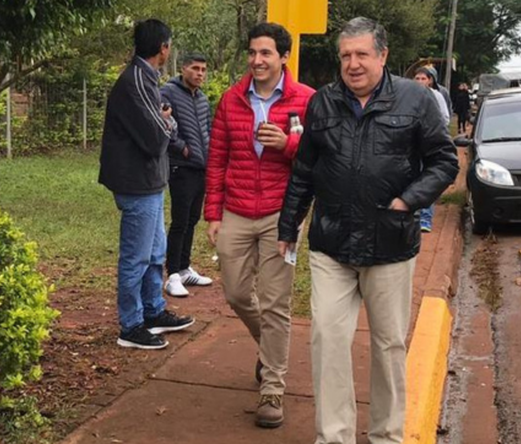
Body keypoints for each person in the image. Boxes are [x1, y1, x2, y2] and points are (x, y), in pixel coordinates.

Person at [277, 17, 458, 444]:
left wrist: (407, 201)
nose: (353, 64)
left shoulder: (416, 100)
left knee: (388, 346)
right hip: (331, 243)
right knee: (327, 339)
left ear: (382, 55)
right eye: (345, 56)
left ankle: (386, 435)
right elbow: (304, 171)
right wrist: (289, 225)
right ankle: (334, 436)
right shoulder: (322, 103)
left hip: (390, 242)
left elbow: (444, 161)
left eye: (362, 54)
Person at [204, 22, 315, 429]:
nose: (257, 60)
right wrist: (213, 213)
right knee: (235, 293)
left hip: (280, 216)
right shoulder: (232, 100)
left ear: (284, 57)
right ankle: (269, 350)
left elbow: (318, 158)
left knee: (276, 303)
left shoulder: (306, 100)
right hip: (235, 209)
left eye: (266, 53)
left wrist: (286, 144)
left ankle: (273, 389)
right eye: (252, 52)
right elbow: (216, 159)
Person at [99, 19, 195, 350]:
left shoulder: (146, 78)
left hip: (151, 182)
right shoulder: (137, 80)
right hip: (136, 184)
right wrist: (167, 121)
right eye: (169, 45)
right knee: (136, 256)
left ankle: (153, 311)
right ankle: (131, 325)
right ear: (163, 48)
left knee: (155, 253)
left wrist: (163, 119)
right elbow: (155, 139)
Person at [160, 53, 214, 297]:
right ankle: (171, 274)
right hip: (180, 166)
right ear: (183, 68)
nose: (200, 73)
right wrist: (182, 147)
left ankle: (184, 268)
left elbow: (208, 128)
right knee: (180, 220)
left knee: (192, 219)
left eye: (203, 69)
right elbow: (163, 125)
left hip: (200, 167)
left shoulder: (202, 99)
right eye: (195, 68)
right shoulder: (168, 92)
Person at [413, 65, 450, 233]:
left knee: (426, 179)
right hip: (410, 144)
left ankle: (425, 218)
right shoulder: (407, 96)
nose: (420, 81)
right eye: (417, 78)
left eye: (424, 78)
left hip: (428, 143)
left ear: (430, 81)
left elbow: (445, 118)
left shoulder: (436, 96)